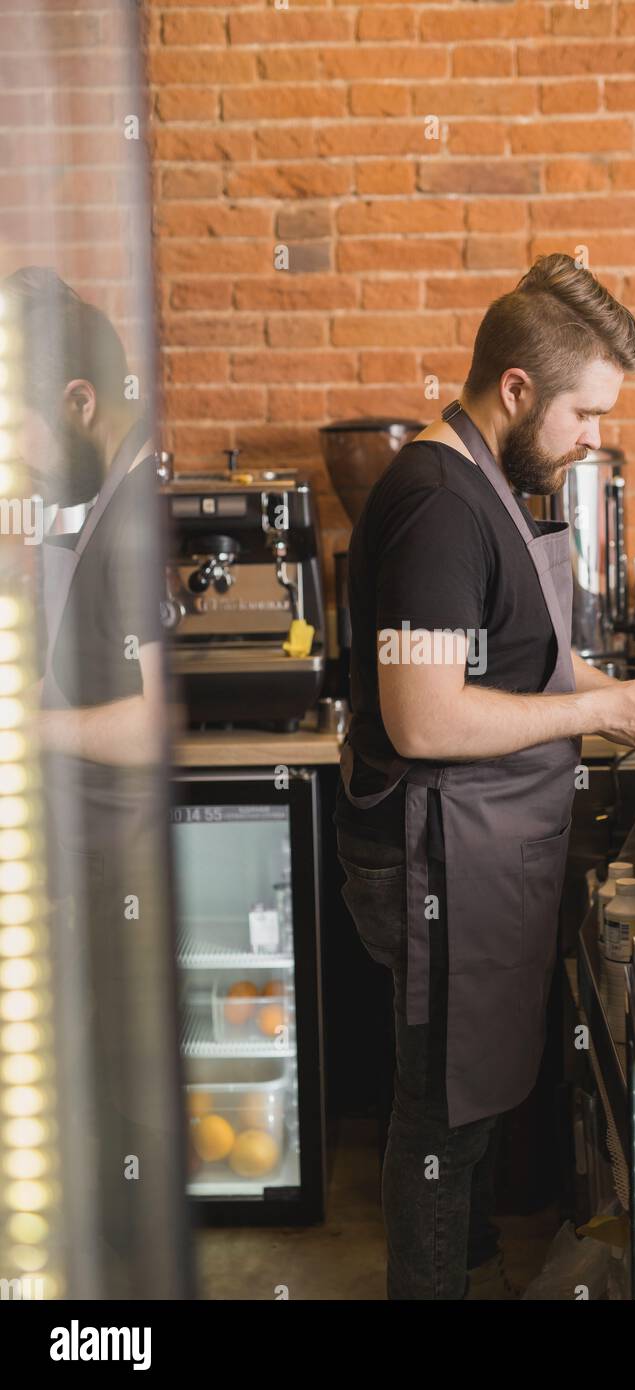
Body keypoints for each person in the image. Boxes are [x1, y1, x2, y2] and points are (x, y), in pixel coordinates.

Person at [334, 254, 635, 1300]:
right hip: (430, 853)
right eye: (582, 414)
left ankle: (466, 1272)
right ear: (518, 389)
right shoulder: (436, 502)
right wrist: (596, 710)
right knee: (441, 1112)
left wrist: (626, 699)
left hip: (476, 844)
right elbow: (424, 712)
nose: (591, 439)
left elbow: (528, 657)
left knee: (472, 1097)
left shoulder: (491, 482)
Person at [5, 266, 188, 1297]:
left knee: (119, 1125)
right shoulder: (98, 495)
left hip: (119, 877)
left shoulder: (127, 510)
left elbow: (152, 715)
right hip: (90, 872)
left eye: (19, 429)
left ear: (79, 403)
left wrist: (21, 723)